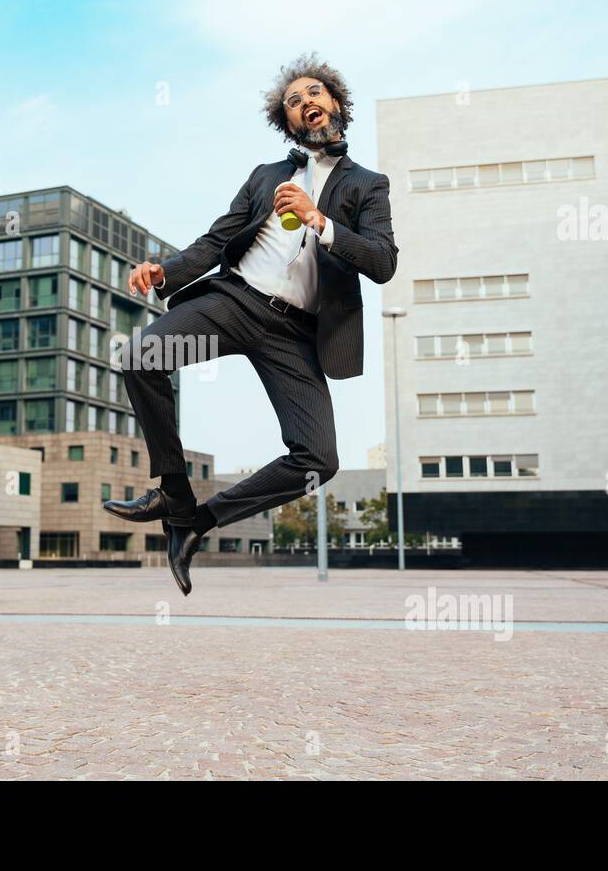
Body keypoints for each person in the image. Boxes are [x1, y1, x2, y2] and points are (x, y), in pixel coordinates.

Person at [104, 53, 398, 596]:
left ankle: (199, 521)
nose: (305, 103)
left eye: (314, 93)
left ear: (335, 103)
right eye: (293, 101)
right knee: (141, 356)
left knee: (318, 459)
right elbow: (216, 243)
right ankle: (173, 490)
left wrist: (322, 221)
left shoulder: (367, 186)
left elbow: (383, 263)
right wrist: (163, 272)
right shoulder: (266, 177)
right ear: (286, 122)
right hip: (234, 303)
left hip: (295, 333)